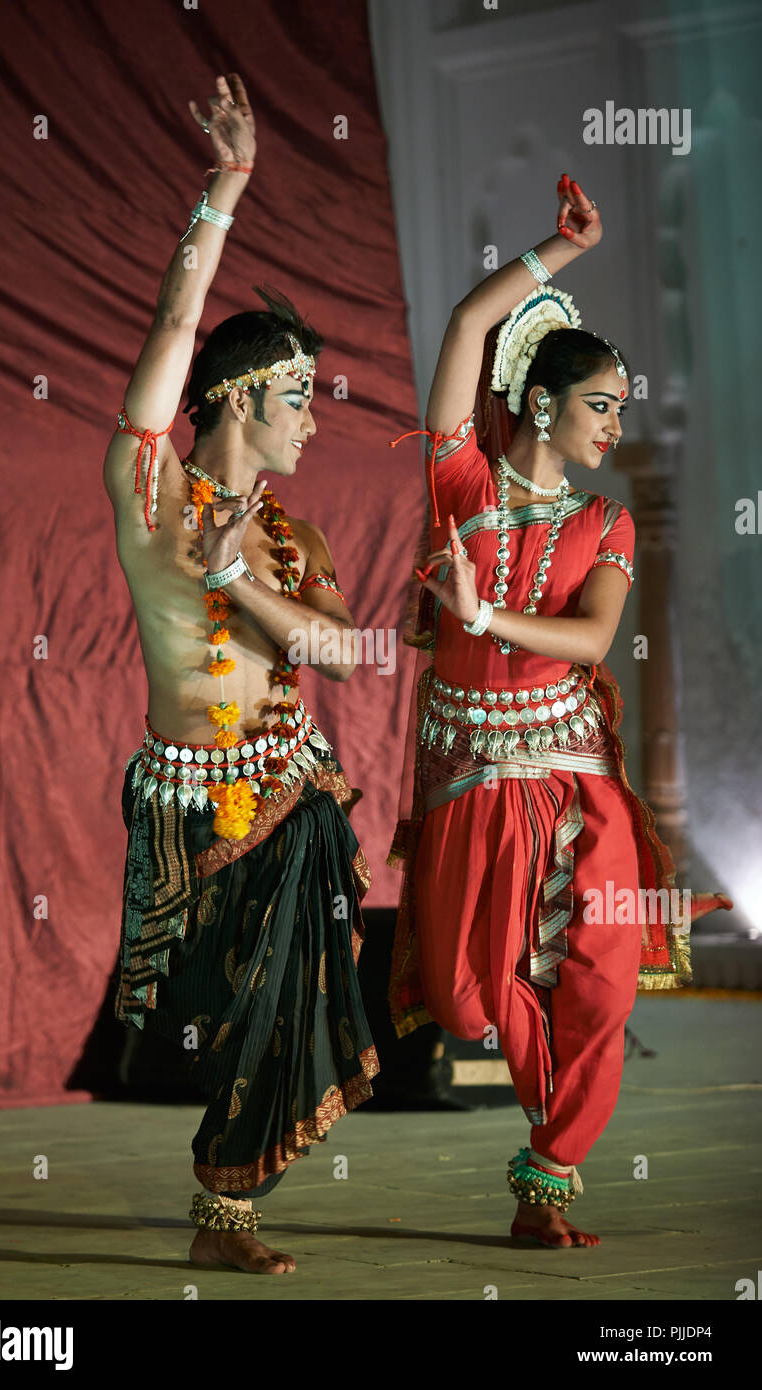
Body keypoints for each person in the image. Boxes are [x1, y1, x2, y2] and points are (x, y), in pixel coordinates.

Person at [387, 173, 731, 1248]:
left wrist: (487, 615)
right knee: (466, 1002)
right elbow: (463, 324)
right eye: (600, 404)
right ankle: (541, 1145)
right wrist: (561, 250)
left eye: (621, 410)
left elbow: (590, 640)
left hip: (573, 779)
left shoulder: (609, 524)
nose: (611, 425)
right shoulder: (463, 486)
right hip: (471, 779)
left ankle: (547, 1179)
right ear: (541, 401)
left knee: (603, 972)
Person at [102, 74, 377, 1275]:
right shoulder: (149, 491)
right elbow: (171, 333)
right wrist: (228, 188)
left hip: (288, 796)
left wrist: (242, 586)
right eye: (298, 397)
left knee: (281, 985)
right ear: (234, 398)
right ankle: (225, 1188)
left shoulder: (287, 539)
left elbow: (340, 648)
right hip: (179, 799)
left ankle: (227, 1205)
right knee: (216, 1007)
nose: (313, 422)